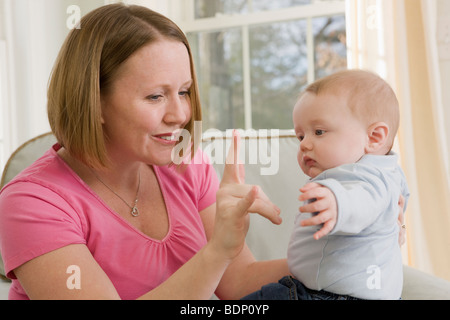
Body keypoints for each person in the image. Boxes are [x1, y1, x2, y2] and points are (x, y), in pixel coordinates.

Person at [0, 4, 286, 300]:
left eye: (184, 91)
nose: (179, 115)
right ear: (94, 101)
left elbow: (239, 283)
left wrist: (324, 258)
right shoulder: (33, 202)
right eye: (155, 96)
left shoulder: (186, 165)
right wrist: (217, 253)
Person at [243, 70, 410, 300]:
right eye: (300, 136)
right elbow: (392, 205)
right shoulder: (389, 174)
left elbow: (361, 199)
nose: (304, 145)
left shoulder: (368, 177)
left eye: (319, 132)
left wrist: (338, 203)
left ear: (374, 137)